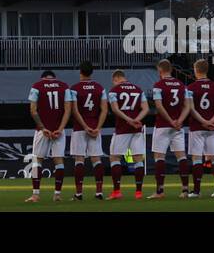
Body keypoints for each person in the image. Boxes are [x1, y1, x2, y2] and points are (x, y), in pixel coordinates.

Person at [26, 69, 70, 203]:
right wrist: (60, 129)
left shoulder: (37, 86)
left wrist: (43, 128)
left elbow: (33, 111)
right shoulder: (64, 87)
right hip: (59, 131)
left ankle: (35, 195)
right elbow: (68, 110)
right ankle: (57, 194)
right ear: (54, 78)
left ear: (42, 78)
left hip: (42, 131)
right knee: (59, 161)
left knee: (37, 161)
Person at [149, 59, 191, 199]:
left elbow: (159, 106)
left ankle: (160, 191)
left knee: (159, 157)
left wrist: (170, 121)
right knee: (182, 157)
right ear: (171, 70)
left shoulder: (158, 85)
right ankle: (185, 190)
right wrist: (179, 121)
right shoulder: (181, 85)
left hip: (163, 125)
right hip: (178, 127)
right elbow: (187, 106)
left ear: (160, 70)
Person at [185, 59, 214, 197]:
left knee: (197, 159)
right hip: (211, 127)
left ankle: (196, 191)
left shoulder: (190, 88)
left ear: (196, 70)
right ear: (207, 70)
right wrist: (211, 121)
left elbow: (190, 108)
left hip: (197, 127)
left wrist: (203, 121)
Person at [106, 69, 148, 200]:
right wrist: (137, 119)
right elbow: (146, 108)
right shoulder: (138, 89)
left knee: (115, 158)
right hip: (136, 129)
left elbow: (115, 109)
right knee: (138, 159)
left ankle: (117, 191)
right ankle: (139, 192)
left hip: (122, 129)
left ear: (116, 79)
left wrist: (129, 120)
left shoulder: (114, 91)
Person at [68, 61, 107, 200]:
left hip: (80, 128)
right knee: (96, 160)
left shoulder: (74, 88)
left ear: (80, 72)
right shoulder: (100, 88)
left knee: (79, 160)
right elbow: (104, 110)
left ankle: (79, 193)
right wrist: (98, 127)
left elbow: (75, 110)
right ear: (91, 73)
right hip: (95, 127)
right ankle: (99, 192)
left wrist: (85, 126)